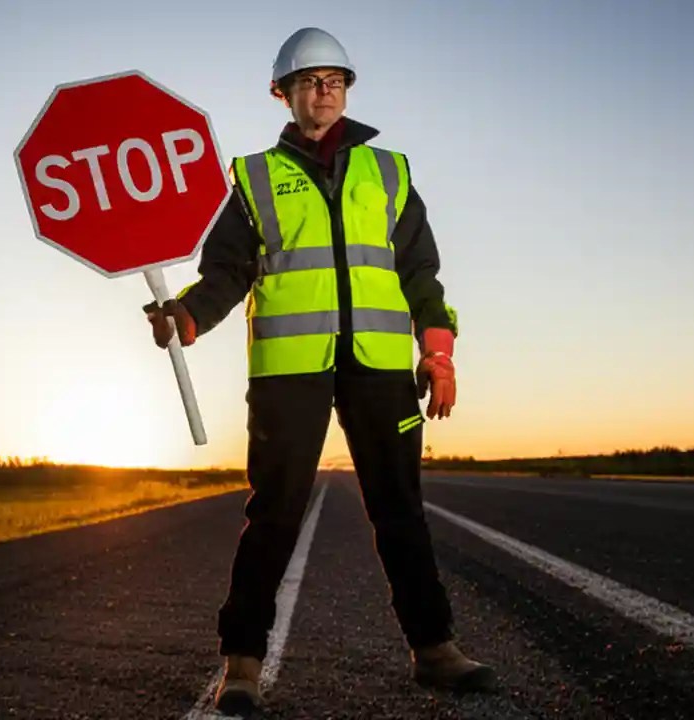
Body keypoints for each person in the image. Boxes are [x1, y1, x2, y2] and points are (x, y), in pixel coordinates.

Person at [144, 27, 495, 714]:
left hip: (380, 365)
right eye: (308, 81)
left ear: (348, 88)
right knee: (272, 514)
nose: (323, 90)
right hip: (289, 371)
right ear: (282, 93)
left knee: (400, 511)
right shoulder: (252, 179)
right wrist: (186, 317)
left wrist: (440, 351)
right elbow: (225, 273)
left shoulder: (389, 171)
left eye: (334, 79)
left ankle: (435, 650)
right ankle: (241, 662)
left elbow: (421, 273)